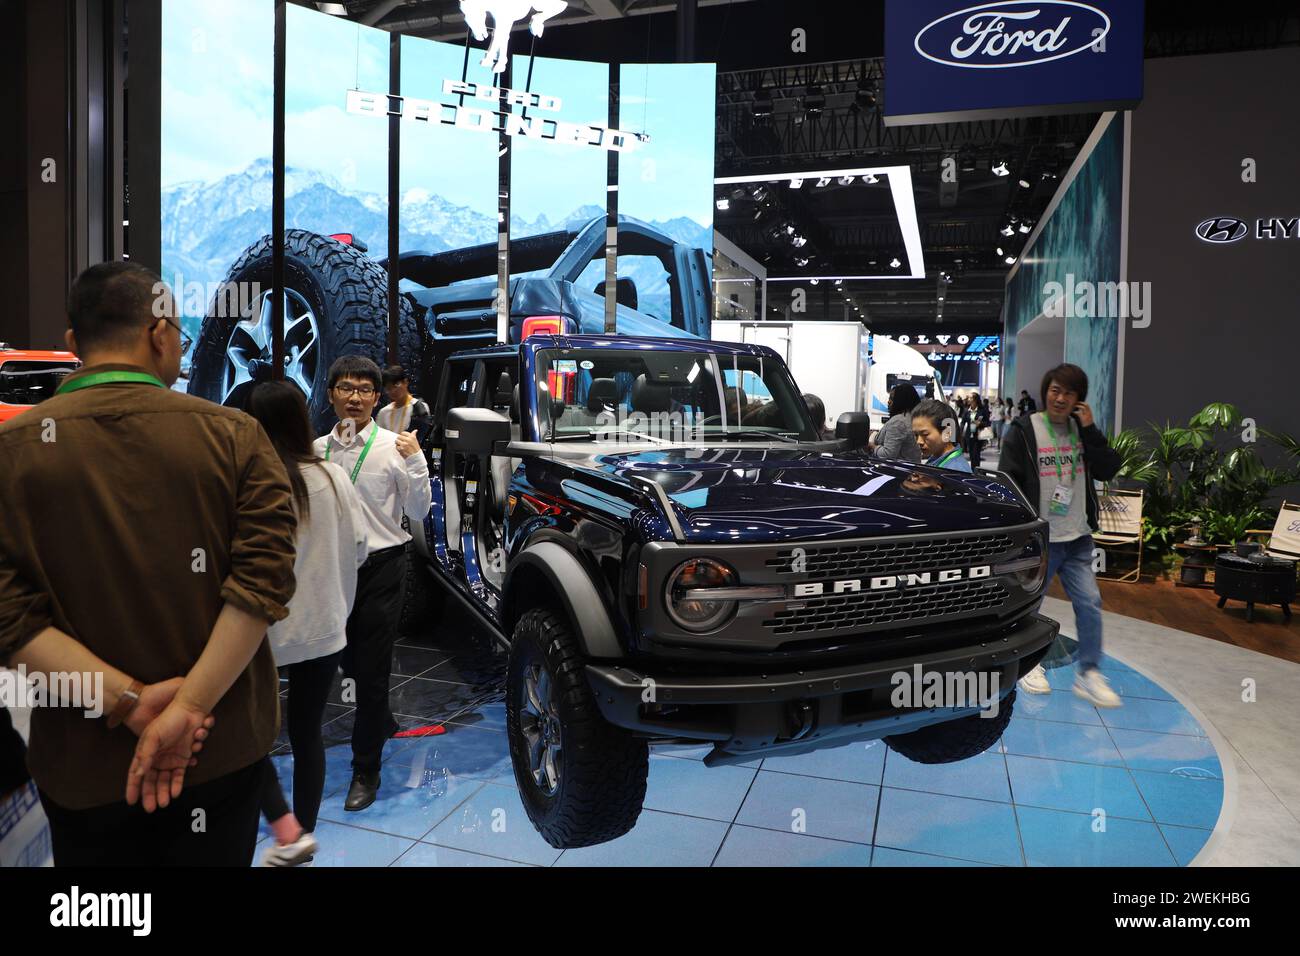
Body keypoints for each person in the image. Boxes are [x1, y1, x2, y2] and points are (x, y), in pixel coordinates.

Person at [0, 261, 297, 866]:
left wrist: (130, 703)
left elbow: (10, 617)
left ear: (73, 345)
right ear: (160, 334)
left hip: (84, 768)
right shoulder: (237, 437)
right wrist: (188, 709)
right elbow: (261, 586)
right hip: (218, 752)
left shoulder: (13, 453)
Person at [247, 381, 369, 866]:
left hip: (259, 635)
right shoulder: (334, 476)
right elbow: (359, 548)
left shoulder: (251, 478)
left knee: (248, 738)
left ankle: (283, 829)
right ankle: (304, 832)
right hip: (325, 629)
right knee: (307, 735)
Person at [316, 356, 431, 811]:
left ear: (376, 397)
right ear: (331, 395)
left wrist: (418, 462)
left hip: (383, 567)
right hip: (331, 570)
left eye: (365, 390)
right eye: (347, 388)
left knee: (373, 668)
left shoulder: (393, 446)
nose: (356, 397)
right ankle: (380, 719)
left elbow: (420, 512)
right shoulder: (315, 449)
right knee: (347, 665)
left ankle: (366, 769)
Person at [999, 363, 1123, 708]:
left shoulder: (1082, 430)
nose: (1060, 398)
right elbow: (1007, 481)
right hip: (1042, 539)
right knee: (1028, 606)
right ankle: (1027, 667)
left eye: (1068, 393)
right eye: (1055, 390)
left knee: (1090, 603)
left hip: (1078, 536)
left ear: (1079, 400)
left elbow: (1109, 468)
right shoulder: (1024, 429)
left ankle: (1090, 673)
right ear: (1045, 391)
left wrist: (1091, 429)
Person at [911, 398, 973, 473]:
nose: (919, 441)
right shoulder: (937, 456)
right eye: (916, 435)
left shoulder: (955, 471)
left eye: (925, 434)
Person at [378, 365, 432, 439]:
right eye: (388, 388)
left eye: (396, 385)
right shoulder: (384, 412)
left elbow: (423, 436)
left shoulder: (419, 407)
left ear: (405, 382)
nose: (393, 391)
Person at [871, 384, 922, 462]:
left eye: (892, 398)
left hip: (897, 471)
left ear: (901, 401)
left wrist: (872, 447)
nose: (888, 402)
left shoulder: (898, 422)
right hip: (910, 468)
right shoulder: (913, 418)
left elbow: (888, 454)